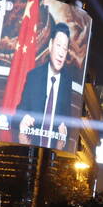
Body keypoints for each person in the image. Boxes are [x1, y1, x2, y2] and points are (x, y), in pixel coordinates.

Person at [16, 20, 78, 148]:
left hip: (54, 153)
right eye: (58, 45)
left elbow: (68, 122)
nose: (61, 53)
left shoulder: (67, 82)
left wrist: (64, 132)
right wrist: (22, 119)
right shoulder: (34, 76)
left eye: (65, 49)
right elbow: (18, 113)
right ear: (50, 45)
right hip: (29, 148)